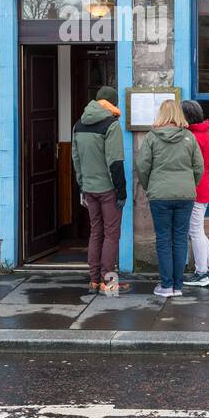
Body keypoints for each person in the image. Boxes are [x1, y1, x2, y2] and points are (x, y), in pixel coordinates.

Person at [134, 99, 204, 297]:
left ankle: (166, 286)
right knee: (181, 238)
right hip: (185, 194)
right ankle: (178, 286)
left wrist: (150, 186)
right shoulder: (189, 136)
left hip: (160, 195)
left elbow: (142, 166)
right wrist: (189, 185)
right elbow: (198, 167)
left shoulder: (151, 137)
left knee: (164, 239)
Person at [72, 85, 129, 295]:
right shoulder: (111, 124)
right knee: (112, 235)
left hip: (89, 188)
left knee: (96, 232)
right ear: (113, 103)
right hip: (108, 189)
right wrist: (121, 191)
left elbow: (76, 160)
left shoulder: (78, 125)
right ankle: (108, 281)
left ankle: (95, 280)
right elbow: (115, 161)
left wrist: (82, 186)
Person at [181, 100, 209, 287]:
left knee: (195, 232)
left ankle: (201, 273)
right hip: (204, 184)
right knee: (199, 230)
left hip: (196, 186)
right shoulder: (206, 131)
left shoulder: (192, 136)